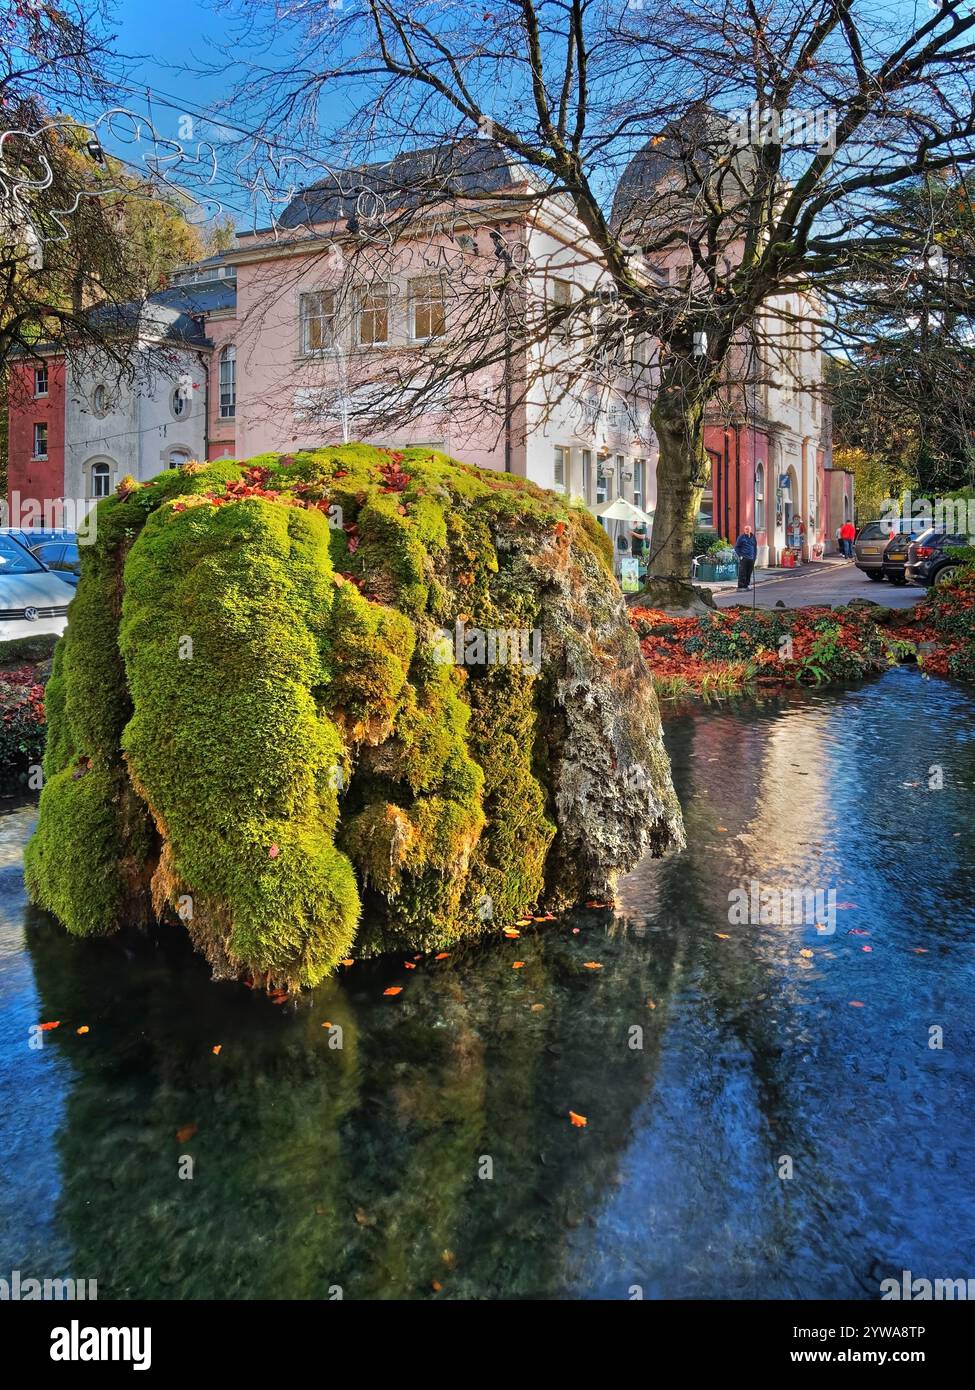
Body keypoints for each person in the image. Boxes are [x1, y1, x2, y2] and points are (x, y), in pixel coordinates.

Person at [734, 525, 757, 590]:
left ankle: (746, 585)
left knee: (749, 573)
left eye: (748, 529)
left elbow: (755, 548)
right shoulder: (741, 537)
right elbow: (736, 547)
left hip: (751, 558)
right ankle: (741, 586)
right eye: (746, 529)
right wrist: (740, 556)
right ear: (744, 530)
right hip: (744, 557)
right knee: (742, 572)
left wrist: (755, 556)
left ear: (750, 530)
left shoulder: (753, 537)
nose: (747, 530)